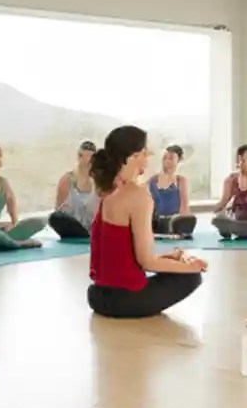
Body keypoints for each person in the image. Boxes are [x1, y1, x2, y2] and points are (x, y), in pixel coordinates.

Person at [88, 126, 205, 318]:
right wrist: (191, 267)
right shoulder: (138, 195)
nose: (147, 158)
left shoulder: (105, 190)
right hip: (124, 300)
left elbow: (121, 253)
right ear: (132, 156)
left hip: (97, 296)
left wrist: (170, 256)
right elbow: (146, 262)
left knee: (176, 269)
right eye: (144, 153)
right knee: (190, 277)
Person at [49, 140, 99, 239]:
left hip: (92, 233)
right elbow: (58, 211)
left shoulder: (100, 183)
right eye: (82, 156)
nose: (87, 163)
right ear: (78, 157)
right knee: (56, 216)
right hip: (70, 231)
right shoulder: (66, 180)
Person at [149, 145, 197, 236]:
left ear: (178, 161)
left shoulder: (181, 181)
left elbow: (184, 206)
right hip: (155, 223)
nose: (167, 161)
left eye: (171, 158)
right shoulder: (152, 181)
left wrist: (185, 226)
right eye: (165, 158)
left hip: (174, 223)